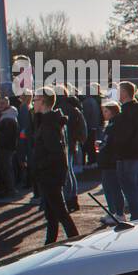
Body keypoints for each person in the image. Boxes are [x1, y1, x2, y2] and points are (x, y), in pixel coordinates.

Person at [27, 91, 80, 245]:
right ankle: (50, 243)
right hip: (49, 174)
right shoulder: (47, 121)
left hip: (50, 175)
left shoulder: (49, 124)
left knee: (60, 212)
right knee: (52, 214)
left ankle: (75, 240)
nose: (33, 103)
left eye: (35, 100)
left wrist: (39, 166)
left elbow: (55, 153)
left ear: (43, 101)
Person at [112, 81, 138, 219]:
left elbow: (124, 135)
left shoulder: (127, 112)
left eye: (119, 91)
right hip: (136, 153)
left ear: (125, 93)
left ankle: (137, 216)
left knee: (130, 187)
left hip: (128, 155)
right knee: (137, 186)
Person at [97, 100, 125, 224]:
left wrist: (102, 144)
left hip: (110, 161)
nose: (104, 114)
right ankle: (114, 212)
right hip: (108, 160)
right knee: (109, 187)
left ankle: (118, 213)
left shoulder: (114, 125)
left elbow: (110, 144)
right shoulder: (111, 124)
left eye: (106, 111)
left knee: (113, 188)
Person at [0, 96, 19, 197]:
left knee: (6, 168)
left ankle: (10, 189)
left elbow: (6, 136)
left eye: (3, 103)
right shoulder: (8, 115)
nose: (0, 105)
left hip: (6, 147)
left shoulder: (7, 118)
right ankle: (8, 188)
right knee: (6, 168)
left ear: (7, 104)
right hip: (9, 147)